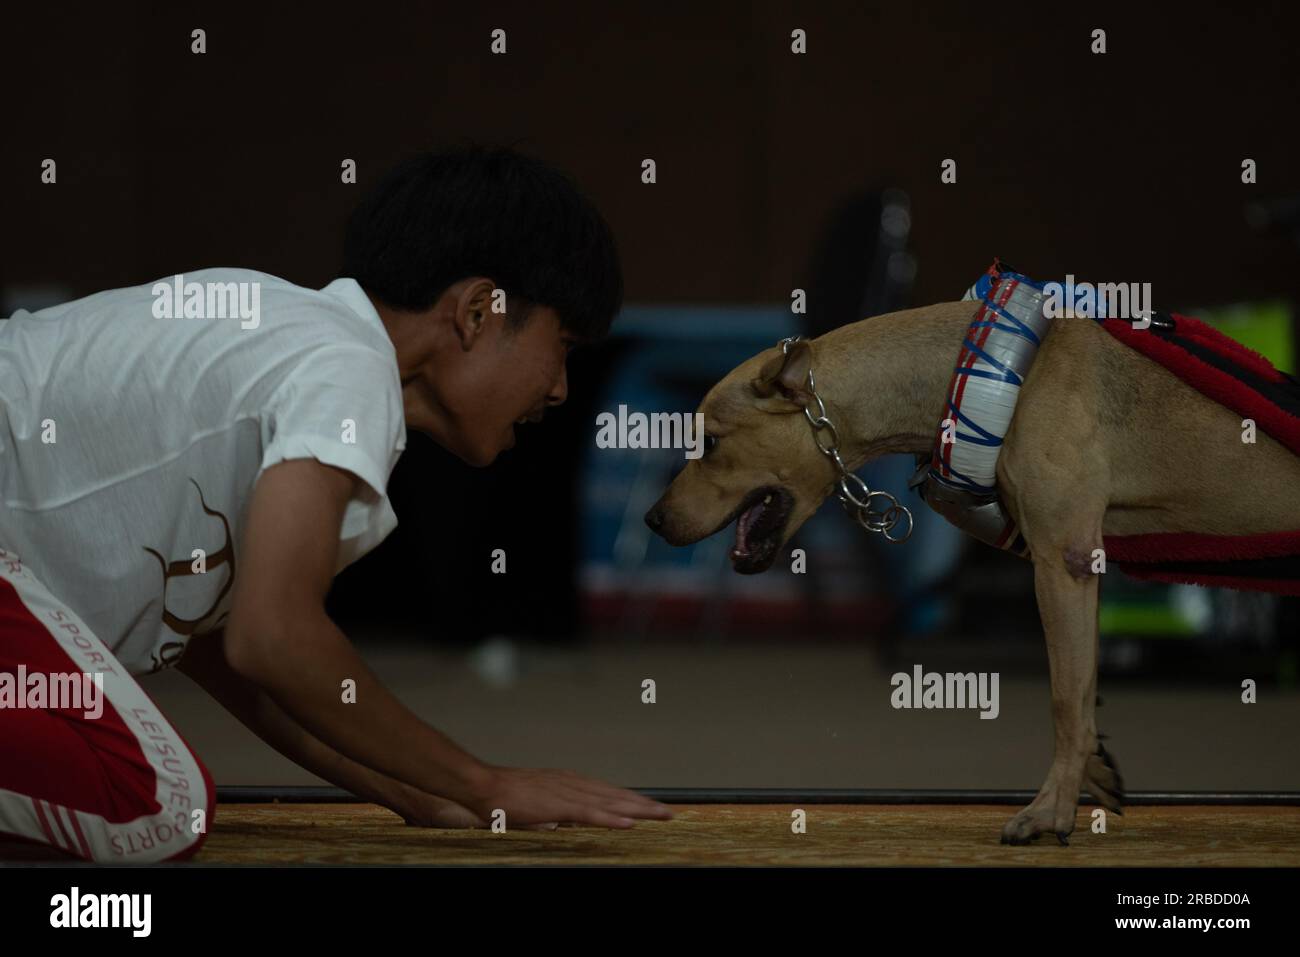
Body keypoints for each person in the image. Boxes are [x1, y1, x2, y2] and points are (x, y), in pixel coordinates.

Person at [0, 145, 673, 862]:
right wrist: (485, 782)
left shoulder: (303, 340)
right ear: (480, 311)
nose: (562, 388)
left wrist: (415, 790)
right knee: (155, 804)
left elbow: (225, 647)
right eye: (561, 345)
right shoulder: (344, 367)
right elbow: (275, 637)